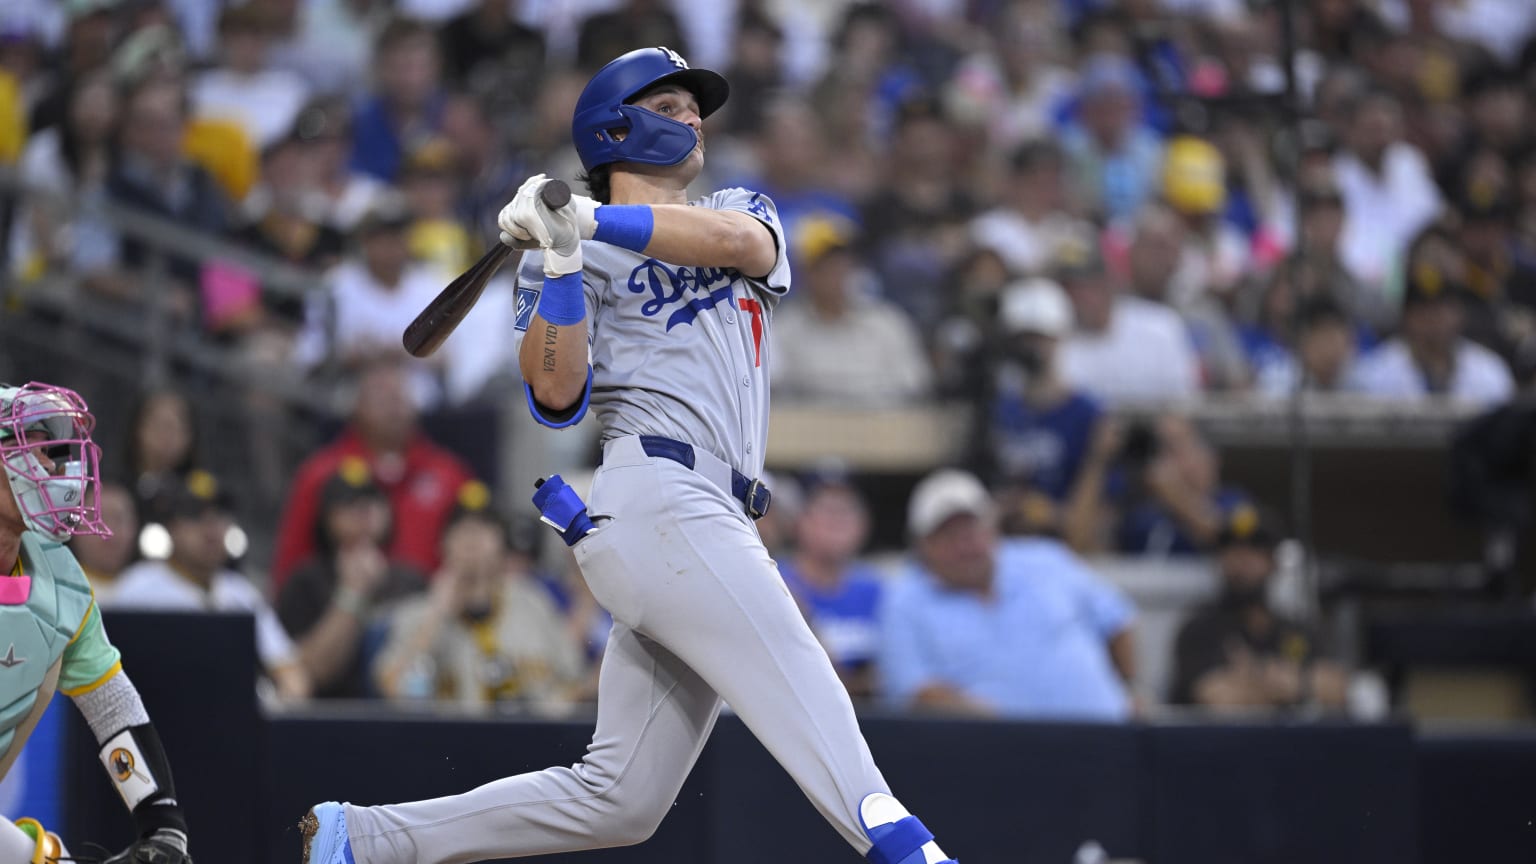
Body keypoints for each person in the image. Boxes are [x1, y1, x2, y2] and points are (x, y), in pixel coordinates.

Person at [302, 46, 960, 864]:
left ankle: (361, 841)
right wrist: (562, 259)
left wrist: (585, 221)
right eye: (671, 107)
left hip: (704, 518)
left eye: (695, 109)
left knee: (619, 799)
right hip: (661, 498)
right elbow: (554, 394)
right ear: (616, 130)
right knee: (819, 709)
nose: (695, 121)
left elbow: (737, 243)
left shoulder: (734, 206)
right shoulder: (563, 251)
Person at [0, 382, 194, 864]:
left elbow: (112, 707)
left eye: (52, 452)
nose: (50, 467)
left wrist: (162, 824)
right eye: (31, 448)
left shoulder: (61, 582)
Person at [878, 469, 1136, 720]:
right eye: (948, 535)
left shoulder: (1047, 560)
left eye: (971, 530)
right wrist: (1000, 726)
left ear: (992, 529)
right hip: (995, 745)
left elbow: (1117, 620)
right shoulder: (905, 601)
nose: (964, 545)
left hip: (1108, 733)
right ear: (923, 546)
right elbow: (913, 691)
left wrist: (1128, 689)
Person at [270, 356, 475, 589]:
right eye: (381, 398)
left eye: (400, 397)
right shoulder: (320, 473)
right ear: (356, 406)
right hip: (340, 601)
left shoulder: (448, 472)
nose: (394, 408)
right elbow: (292, 559)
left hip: (431, 603)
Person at [372, 489, 585, 710]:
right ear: (442, 544)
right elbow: (394, 690)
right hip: (451, 731)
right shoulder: (415, 615)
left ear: (502, 544)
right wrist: (437, 615)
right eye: (460, 528)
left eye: (484, 527)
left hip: (530, 729)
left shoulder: (533, 603)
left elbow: (573, 679)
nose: (472, 536)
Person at [107, 472, 313, 701]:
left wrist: (279, 704)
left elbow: (291, 673)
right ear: (171, 527)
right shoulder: (137, 588)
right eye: (196, 516)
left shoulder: (242, 593)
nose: (211, 529)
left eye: (220, 516)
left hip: (233, 715)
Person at [1169, 504, 1349, 711]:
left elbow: (1339, 688)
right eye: (1231, 550)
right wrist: (1283, 683)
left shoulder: (1295, 628)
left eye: (1254, 551)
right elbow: (1216, 698)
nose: (1241, 562)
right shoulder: (1200, 630)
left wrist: (1285, 683)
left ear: (1273, 562)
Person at [276, 457, 426, 699]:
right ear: (327, 517)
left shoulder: (412, 581)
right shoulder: (304, 583)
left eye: (373, 501)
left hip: (401, 711)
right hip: (328, 712)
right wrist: (352, 593)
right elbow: (307, 674)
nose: (364, 512)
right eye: (350, 504)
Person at [768, 215, 934, 405]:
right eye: (826, 266)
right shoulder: (784, 329)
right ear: (806, 273)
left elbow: (915, 386)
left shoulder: (887, 323)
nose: (838, 273)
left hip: (881, 421)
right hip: (810, 422)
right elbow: (776, 394)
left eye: (845, 264)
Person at [777, 476, 884, 701]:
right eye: (826, 509)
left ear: (863, 523)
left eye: (846, 510)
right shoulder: (775, 582)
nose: (837, 520)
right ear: (799, 520)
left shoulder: (879, 591)